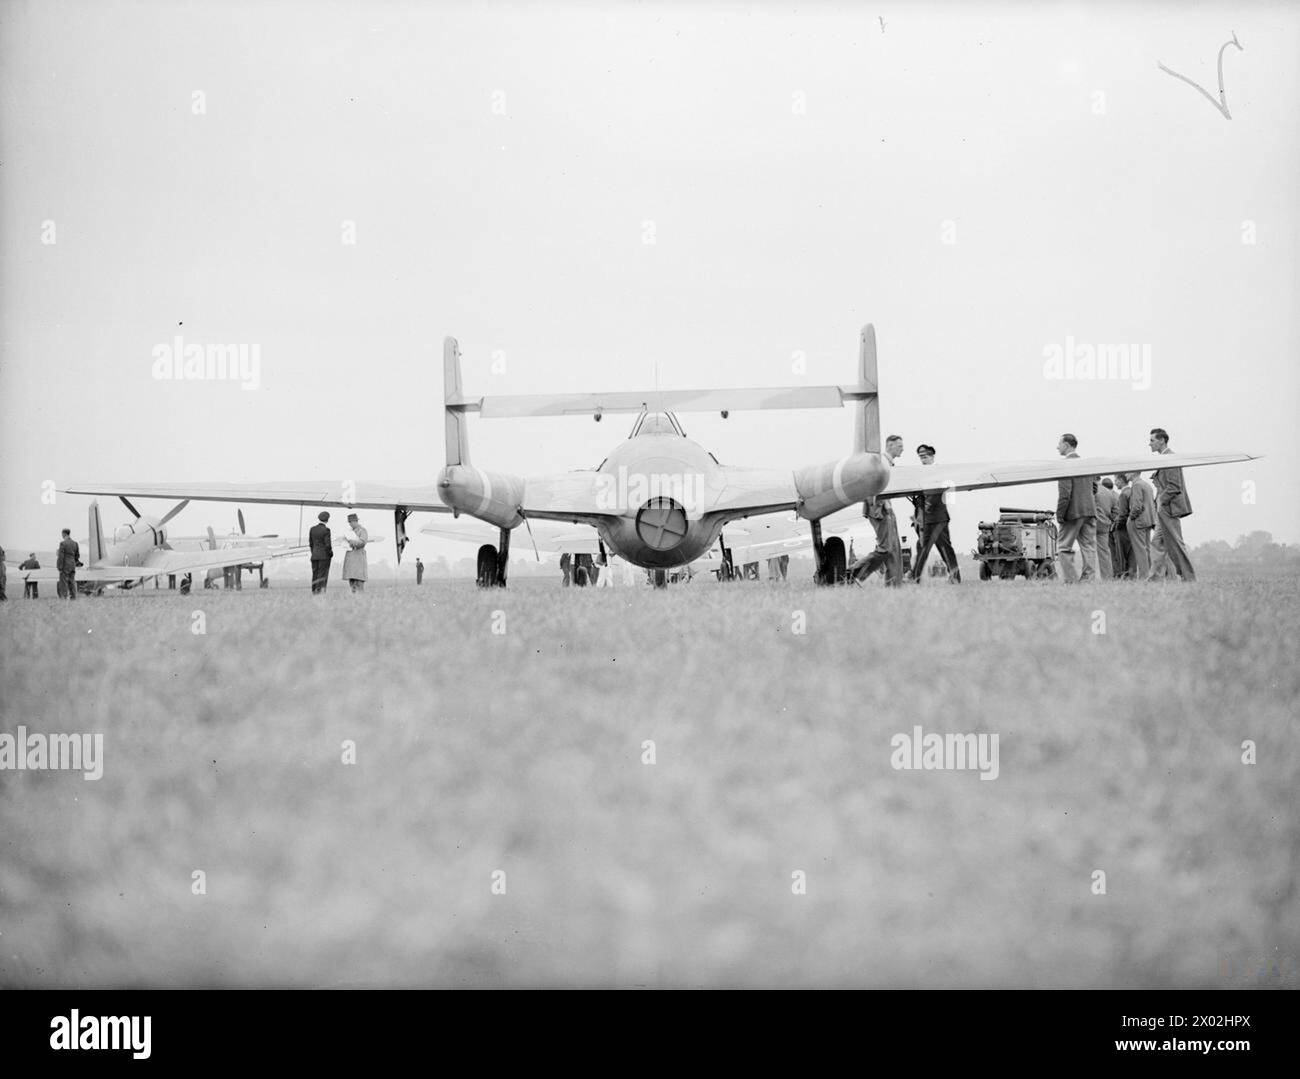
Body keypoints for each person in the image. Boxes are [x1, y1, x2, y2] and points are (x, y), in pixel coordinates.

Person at [849, 434, 905, 585]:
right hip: (879, 509)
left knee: (893, 548)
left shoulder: (887, 463)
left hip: (886, 508)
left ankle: (894, 584)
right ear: (890, 446)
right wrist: (884, 505)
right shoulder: (880, 462)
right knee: (886, 548)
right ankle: (852, 573)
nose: (902, 449)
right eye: (900, 446)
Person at [1148, 427, 1196, 581]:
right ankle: (1155, 578)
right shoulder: (1164, 458)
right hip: (1163, 509)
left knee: (1176, 543)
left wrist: (1161, 501)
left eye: (1152, 440)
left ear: (1162, 440)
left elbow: (1174, 486)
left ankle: (1188, 577)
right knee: (1157, 543)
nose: (1149, 444)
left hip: (1168, 509)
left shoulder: (1170, 458)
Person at [911, 444, 961, 583]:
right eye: (920, 457)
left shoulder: (941, 473)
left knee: (945, 548)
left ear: (932, 456)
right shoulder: (921, 474)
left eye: (925, 457)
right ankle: (915, 578)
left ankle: (955, 576)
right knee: (922, 548)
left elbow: (948, 495)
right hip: (927, 519)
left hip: (939, 518)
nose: (922, 460)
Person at [1055, 434, 1097, 583]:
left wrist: (1060, 514)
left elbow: (1065, 493)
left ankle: (1071, 580)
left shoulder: (1064, 465)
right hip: (1090, 511)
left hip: (1073, 512)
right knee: (1089, 547)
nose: (1057, 447)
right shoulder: (1087, 464)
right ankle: (1088, 579)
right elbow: (1094, 487)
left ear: (1066, 445)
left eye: (1059, 444)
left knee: (1063, 547)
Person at [1126, 472, 1157, 579]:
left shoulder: (1136, 485)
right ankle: (1149, 575)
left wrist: (1130, 519)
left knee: (1140, 551)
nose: (1125, 474)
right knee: (1146, 549)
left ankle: (1144, 576)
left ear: (1133, 473)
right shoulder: (1147, 485)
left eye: (1127, 472)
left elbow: (1137, 506)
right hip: (1148, 521)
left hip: (1138, 521)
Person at [1094, 475, 1117, 579]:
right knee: (1105, 552)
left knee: (1088, 550)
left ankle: (1089, 577)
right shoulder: (1109, 492)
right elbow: (1115, 511)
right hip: (1105, 525)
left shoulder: (1092, 490)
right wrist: (1110, 520)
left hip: (1092, 524)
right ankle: (1107, 577)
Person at [1112, 475, 1133, 578]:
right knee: (1130, 553)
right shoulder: (1131, 491)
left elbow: (1122, 514)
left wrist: (1116, 526)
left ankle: (1124, 575)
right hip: (1131, 528)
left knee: (1121, 554)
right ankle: (1131, 574)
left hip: (1122, 529)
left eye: (1116, 480)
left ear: (1121, 480)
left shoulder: (1123, 495)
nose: (1115, 483)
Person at [342, 513, 368, 592]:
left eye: (351, 522)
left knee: (359, 582)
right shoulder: (349, 531)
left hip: (358, 558)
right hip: (350, 559)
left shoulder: (362, 530)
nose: (350, 524)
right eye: (349, 522)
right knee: (352, 582)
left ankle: (360, 600)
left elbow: (362, 542)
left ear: (355, 521)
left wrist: (351, 541)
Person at [308, 511, 333, 594]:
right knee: (322, 575)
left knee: (315, 574)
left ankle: (314, 591)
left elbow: (311, 544)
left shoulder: (312, 529)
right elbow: (328, 545)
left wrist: (313, 553)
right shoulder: (326, 530)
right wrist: (330, 553)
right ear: (327, 520)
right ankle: (320, 592)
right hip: (324, 556)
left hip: (314, 556)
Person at [56, 528, 80, 600]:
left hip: (65, 566)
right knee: (72, 581)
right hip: (72, 565)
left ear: (64, 534)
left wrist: (60, 567)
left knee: (64, 583)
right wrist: (74, 562)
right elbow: (77, 556)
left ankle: (64, 597)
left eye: (62, 534)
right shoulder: (75, 543)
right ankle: (73, 597)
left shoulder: (63, 543)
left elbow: (61, 557)